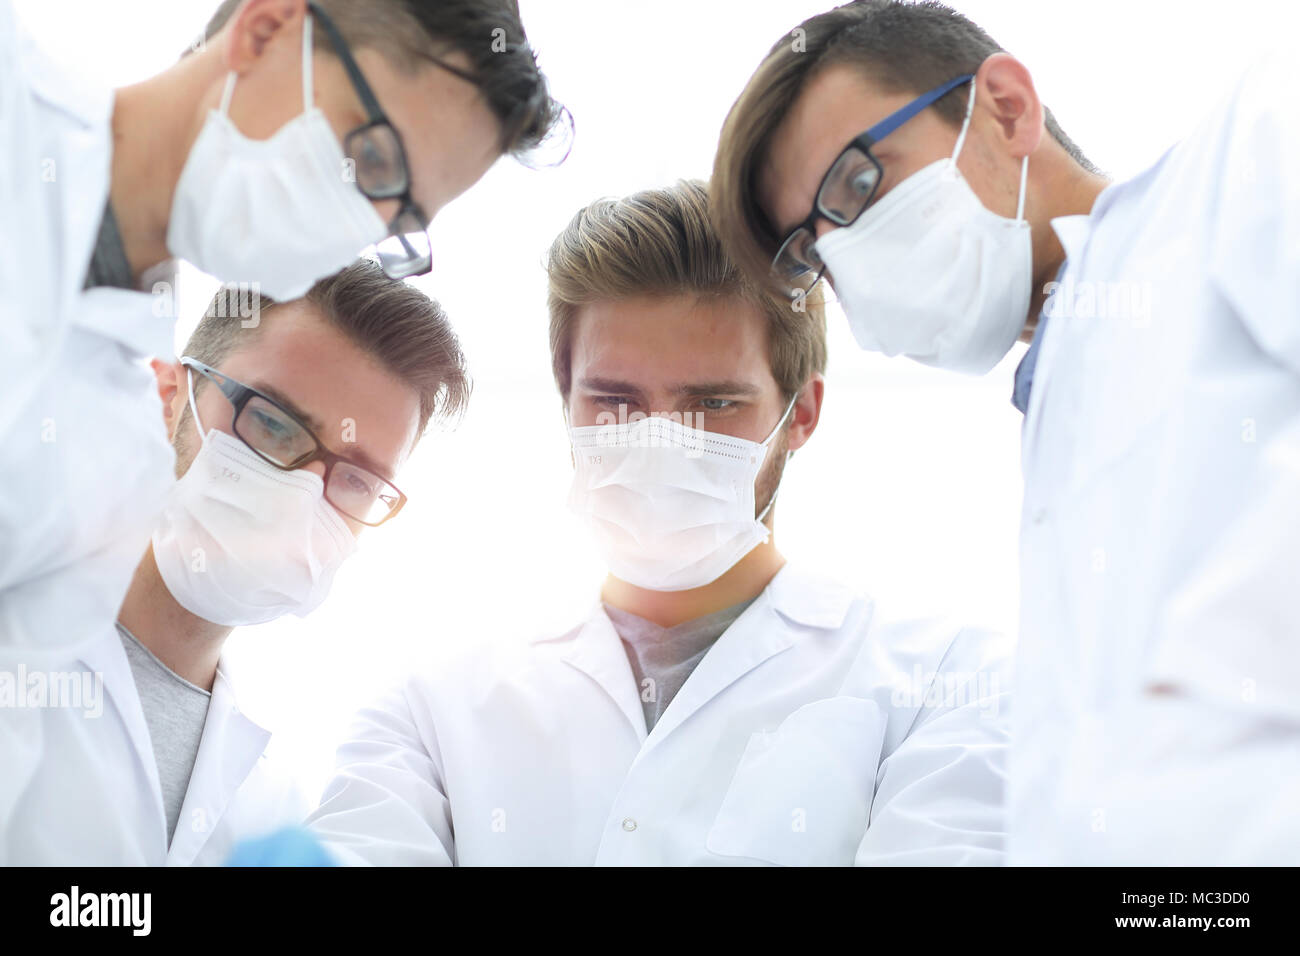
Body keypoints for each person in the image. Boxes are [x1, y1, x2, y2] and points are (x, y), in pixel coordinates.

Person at [709, 0, 1300, 864]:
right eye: (811, 251)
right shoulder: (1061, 398)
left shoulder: (1251, 148)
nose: (845, 259)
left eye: (859, 185)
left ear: (1007, 109)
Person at [304, 180, 1011, 866]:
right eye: (615, 400)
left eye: (711, 405)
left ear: (800, 414)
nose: (658, 440)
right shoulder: (434, 704)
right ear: (566, 403)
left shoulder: (944, 681)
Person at [0, 0, 560, 855]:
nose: (361, 227)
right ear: (265, 31)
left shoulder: (105, 413)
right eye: (372, 159)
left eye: (401, 218)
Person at [1, 260, 470, 864]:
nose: (302, 493)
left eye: (356, 480)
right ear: (168, 399)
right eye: (272, 424)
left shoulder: (285, 793)